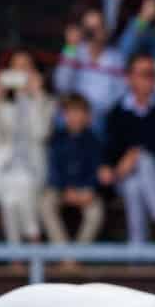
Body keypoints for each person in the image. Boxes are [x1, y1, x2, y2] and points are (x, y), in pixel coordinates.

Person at [100, 53, 155, 243]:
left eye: (152, 74)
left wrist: (137, 154)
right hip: (128, 178)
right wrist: (111, 166)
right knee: (134, 185)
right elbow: (110, 151)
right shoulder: (117, 112)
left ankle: (148, 238)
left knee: (145, 162)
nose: (149, 79)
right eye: (144, 74)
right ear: (129, 78)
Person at [0, 52, 54, 244]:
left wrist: (37, 96)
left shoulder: (45, 101)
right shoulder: (3, 104)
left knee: (18, 188)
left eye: (26, 66)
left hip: (33, 164)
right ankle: (32, 240)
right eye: (16, 67)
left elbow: (41, 134)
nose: (21, 71)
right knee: (12, 192)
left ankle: (18, 251)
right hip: (6, 166)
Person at [43, 90, 107, 249]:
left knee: (96, 212)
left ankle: (78, 253)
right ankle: (64, 253)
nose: (75, 117)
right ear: (64, 116)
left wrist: (88, 190)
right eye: (71, 112)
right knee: (45, 204)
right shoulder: (56, 139)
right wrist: (65, 189)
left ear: (88, 116)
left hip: (85, 191)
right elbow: (53, 169)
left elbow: (97, 171)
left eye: (79, 112)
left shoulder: (95, 141)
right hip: (60, 190)